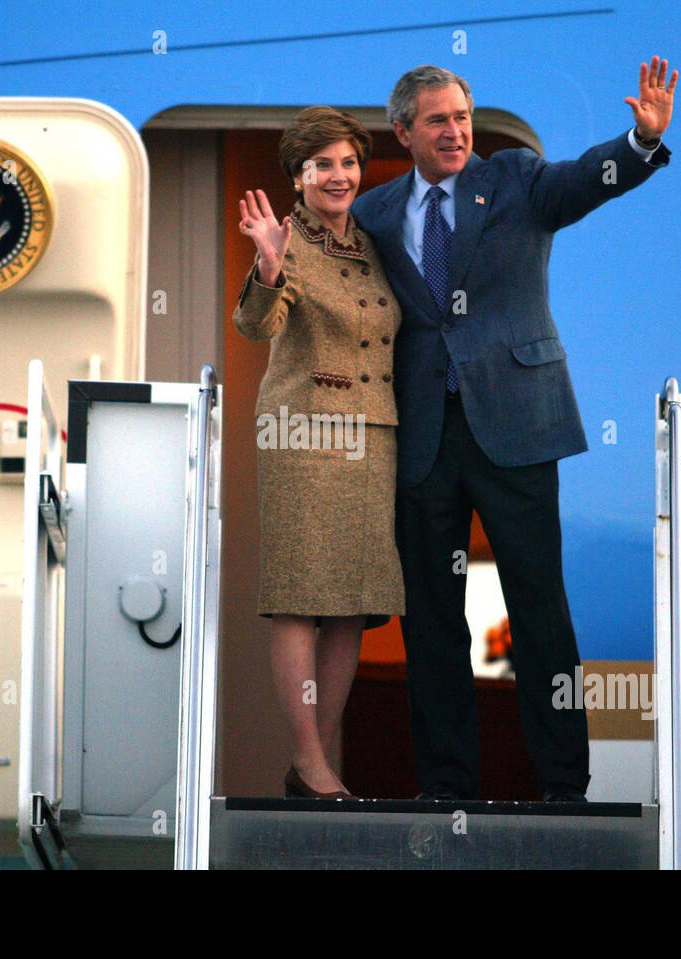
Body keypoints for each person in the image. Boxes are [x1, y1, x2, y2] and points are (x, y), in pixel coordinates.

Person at [352, 59, 678, 802]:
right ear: (403, 131)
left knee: (539, 614)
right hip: (424, 439)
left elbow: (586, 179)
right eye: (437, 120)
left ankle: (565, 784)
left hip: (518, 430)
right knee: (433, 624)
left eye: (461, 117)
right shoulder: (373, 214)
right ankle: (445, 787)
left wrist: (639, 141)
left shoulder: (515, 180)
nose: (455, 131)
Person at [233, 106, 405, 799]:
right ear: (298, 177)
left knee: (352, 602)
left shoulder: (371, 242)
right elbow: (256, 324)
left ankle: (315, 761)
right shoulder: (286, 239)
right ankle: (308, 760)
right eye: (323, 165)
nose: (340, 176)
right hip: (305, 436)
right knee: (301, 598)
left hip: (374, 437)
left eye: (348, 163)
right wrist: (269, 268)